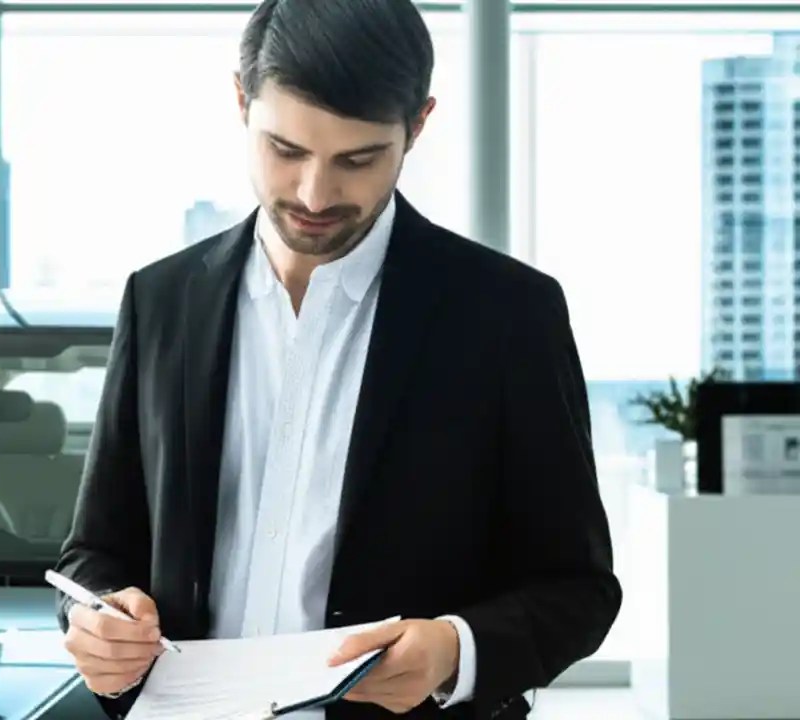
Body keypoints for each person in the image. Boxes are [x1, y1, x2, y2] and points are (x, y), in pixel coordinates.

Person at [53, 0, 622, 717]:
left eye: (358, 159)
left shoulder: (508, 315)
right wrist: (98, 620)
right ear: (241, 102)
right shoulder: (161, 300)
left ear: (417, 125)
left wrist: (454, 649)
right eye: (286, 151)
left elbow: (578, 587)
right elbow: (95, 551)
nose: (315, 194)